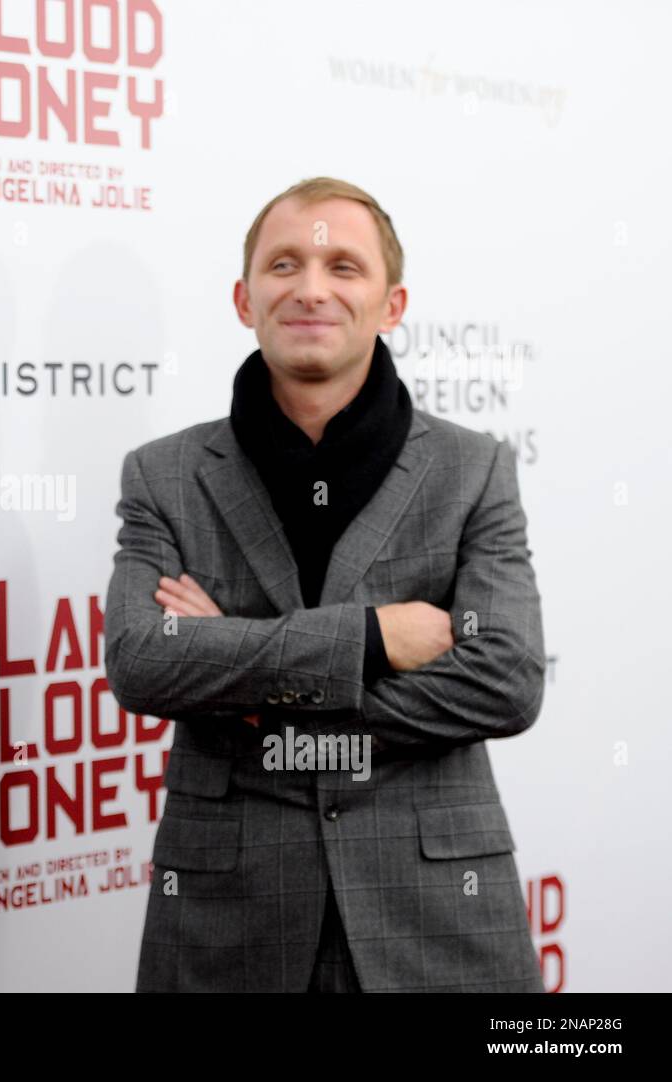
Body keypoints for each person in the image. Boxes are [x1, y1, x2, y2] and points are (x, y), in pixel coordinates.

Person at [105, 176, 545, 993]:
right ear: (244, 298)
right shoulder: (164, 476)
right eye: (283, 266)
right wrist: (375, 641)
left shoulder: (473, 469)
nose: (311, 289)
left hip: (438, 916)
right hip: (228, 922)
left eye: (344, 267)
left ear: (392, 303)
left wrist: (242, 682)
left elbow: (508, 680)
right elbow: (141, 660)